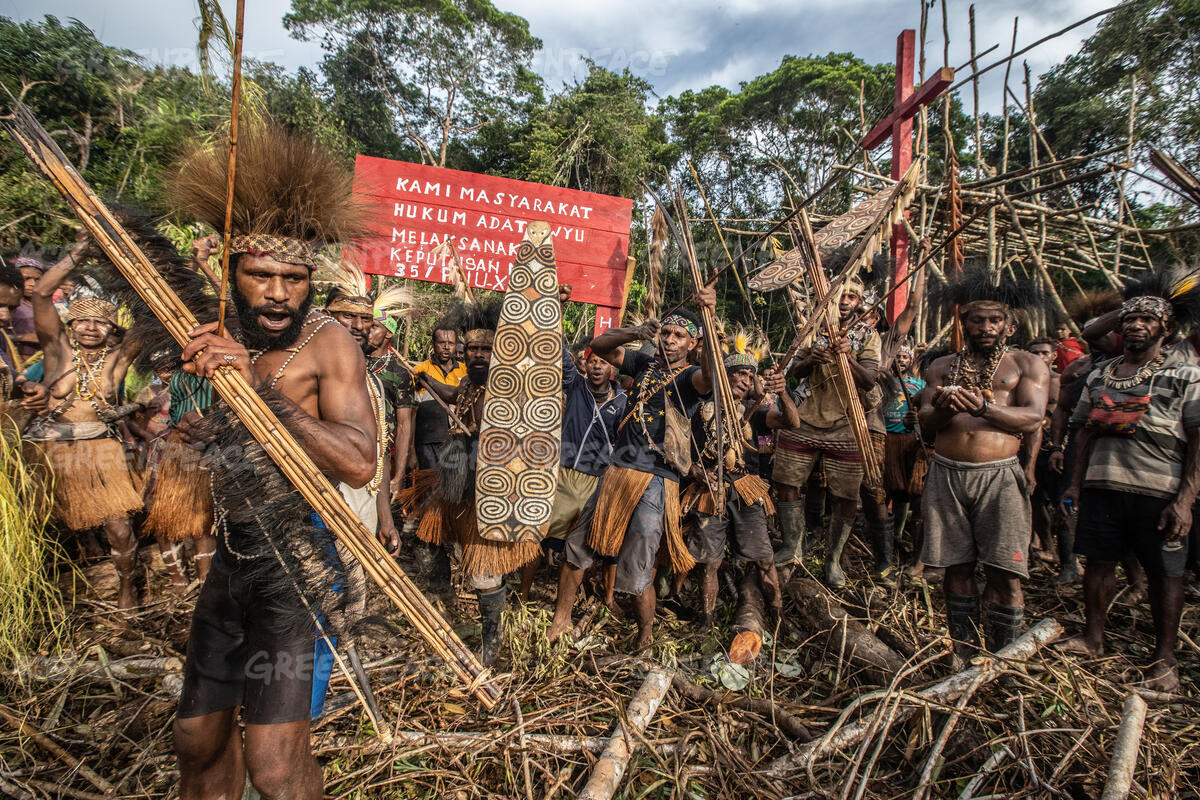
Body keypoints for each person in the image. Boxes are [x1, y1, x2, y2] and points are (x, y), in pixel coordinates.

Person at [169, 121, 379, 800]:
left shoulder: (329, 342)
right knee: (197, 739)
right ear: (233, 274)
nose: (280, 292)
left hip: (295, 562)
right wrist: (197, 429)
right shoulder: (214, 333)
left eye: (295, 277)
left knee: (277, 766)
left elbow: (359, 461)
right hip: (231, 558)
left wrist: (262, 394)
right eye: (261, 274)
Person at [415, 284, 576, 665]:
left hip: (491, 487)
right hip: (455, 477)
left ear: (500, 351)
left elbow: (541, 364)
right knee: (424, 533)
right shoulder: (468, 382)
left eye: (485, 350)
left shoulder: (512, 387)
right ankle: (442, 597)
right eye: (471, 349)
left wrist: (551, 311)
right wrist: (426, 381)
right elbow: (452, 396)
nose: (477, 355)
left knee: (484, 569)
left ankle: (492, 640)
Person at [547, 296, 717, 649]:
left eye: (679, 336)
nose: (670, 340)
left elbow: (712, 376)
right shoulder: (644, 363)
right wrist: (637, 331)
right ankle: (560, 620)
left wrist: (710, 315)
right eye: (666, 333)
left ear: (693, 343)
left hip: (657, 480)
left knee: (640, 560)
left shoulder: (691, 379)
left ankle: (645, 635)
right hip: (617, 472)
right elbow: (599, 346)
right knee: (577, 546)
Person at [1057, 275, 1200, 692]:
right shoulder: (1101, 375)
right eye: (1131, 319)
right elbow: (1082, 431)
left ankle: (1165, 660)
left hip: (1160, 490)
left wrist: (1185, 499)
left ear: (1166, 329)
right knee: (1099, 563)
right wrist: (1074, 485)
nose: (1137, 324)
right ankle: (1092, 638)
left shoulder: (1186, 373)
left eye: (1148, 319)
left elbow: (1198, 439)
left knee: (1164, 573)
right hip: (1102, 485)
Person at [918, 270, 1049, 661]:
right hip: (947, 474)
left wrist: (983, 408)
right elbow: (925, 422)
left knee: (1004, 571)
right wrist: (945, 409)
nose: (986, 327)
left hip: (999, 476)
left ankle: (1002, 659)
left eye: (994, 320)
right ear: (964, 324)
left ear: (1009, 325)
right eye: (977, 320)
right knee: (956, 569)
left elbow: (1033, 419)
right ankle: (965, 653)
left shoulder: (1026, 364)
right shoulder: (942, 366)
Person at [23, 240, 145, 610]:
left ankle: (127, 589)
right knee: (36, 528)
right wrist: (80, 249)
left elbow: (150, 317)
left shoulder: (118, 360)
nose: (91, 328)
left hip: (101, 452)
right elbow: (41, 294)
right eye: (83, 320)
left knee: (119, 528)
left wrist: (127, 262)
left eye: (101, 321)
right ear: (71, 322)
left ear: (112, 325)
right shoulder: (57, 353)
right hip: (51, 453)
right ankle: (35, 595)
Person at [677, 337, 799, 629]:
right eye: (739, 374)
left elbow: (792, 422)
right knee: (710, 562)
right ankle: (707, 620)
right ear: (724, 375)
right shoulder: (699, 407)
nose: (745, 380)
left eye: (749, 376)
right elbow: (678, 447)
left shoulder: (755, 412)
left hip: (746, 490)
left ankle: (778, 617)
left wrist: (782, 393)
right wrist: (693, 469)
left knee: (764, 558)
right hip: (709, 491)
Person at [772, 277, 881, 586]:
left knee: (846, 495)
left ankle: (833, 559)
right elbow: (794, 371)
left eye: (852, 296)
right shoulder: (812, 329)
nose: (845, 301)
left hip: (846, 423)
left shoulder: (868, 335)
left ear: (859, 302)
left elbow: (870, 380)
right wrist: (811, 359)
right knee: (786, 483)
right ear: (830, 298)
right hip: (804, 418)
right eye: (840, 295)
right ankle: (792, 546)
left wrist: (847, 357)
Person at [517, 343, 627, 603]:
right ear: (585, 365)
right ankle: (522, 595)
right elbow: (559, 352)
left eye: (603, 362)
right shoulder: (576, 385)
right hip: (562, 477)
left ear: (612, 367)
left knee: (583, 549)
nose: (597, 366)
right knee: (539, 538)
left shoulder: (624, 401)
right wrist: (553, 316)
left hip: (596, 482)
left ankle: (575, 601)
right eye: (592, 361)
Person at [408, 321, 466, 598]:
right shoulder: (419, 371)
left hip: (455, 447)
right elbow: (409, 413)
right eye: (441, 342)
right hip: (426, 444)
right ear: (433, 344)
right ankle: (432, 553)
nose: (446, 347)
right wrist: (410, 450)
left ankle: (455, 549)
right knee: (431, 498)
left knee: (455, 498)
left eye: (450, 343)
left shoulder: (465, 372)